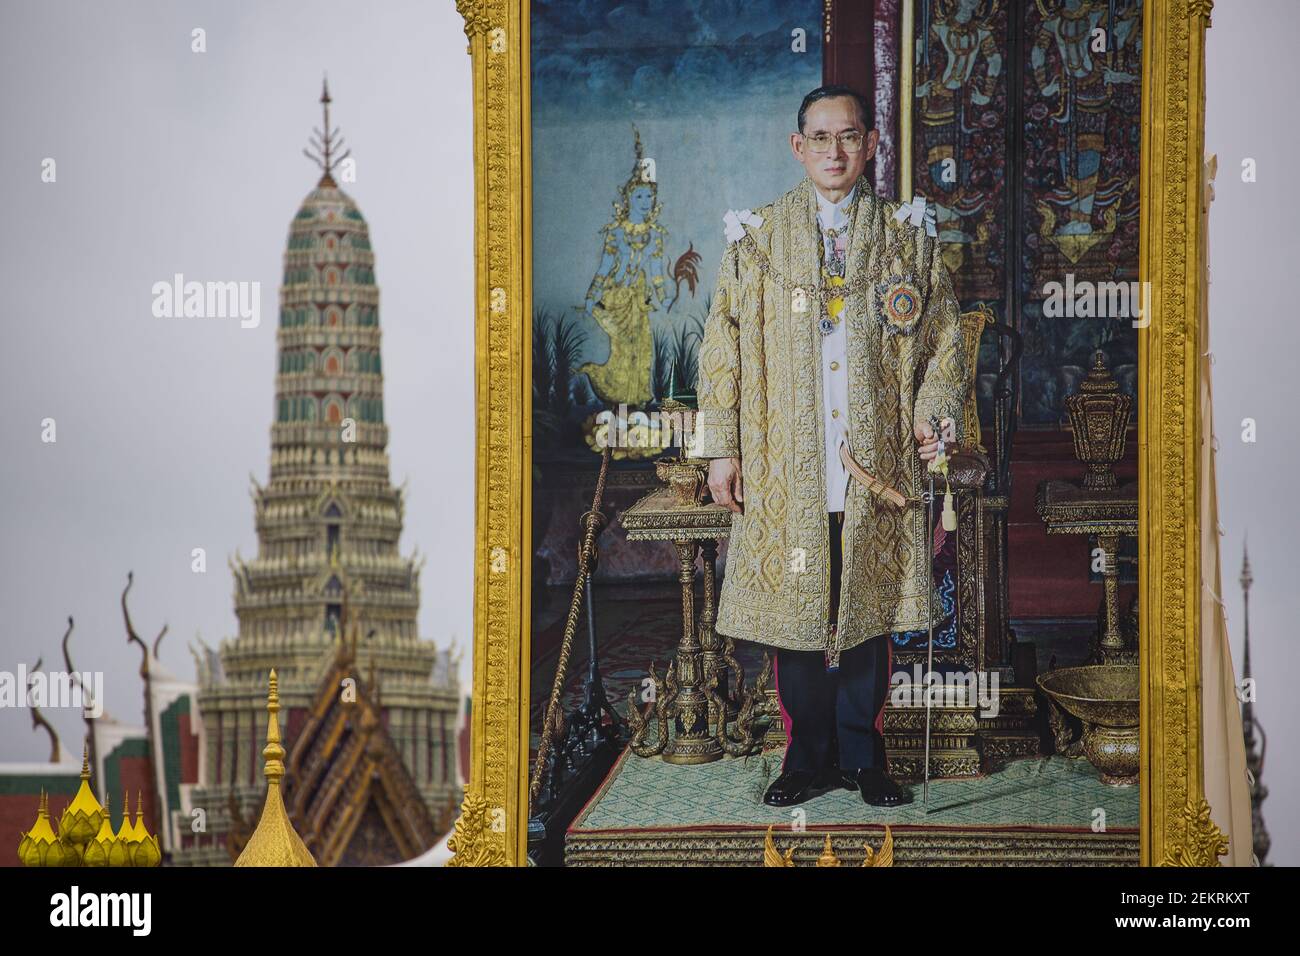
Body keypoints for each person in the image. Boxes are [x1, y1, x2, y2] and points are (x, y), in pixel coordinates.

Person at [692, 85, 971, 808]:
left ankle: (863, 755)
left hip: (875, 460)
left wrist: (932, 411)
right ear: (798, 147)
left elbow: (943, 339)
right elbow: (720, 344)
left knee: (867, 609)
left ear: (872, 143)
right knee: (797, 610)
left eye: (848, 137)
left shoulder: (908, 238)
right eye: (820, 138)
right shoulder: (756, 238)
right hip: (787, 460)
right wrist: (723, 448)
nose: (835, 152)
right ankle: (805, 756)